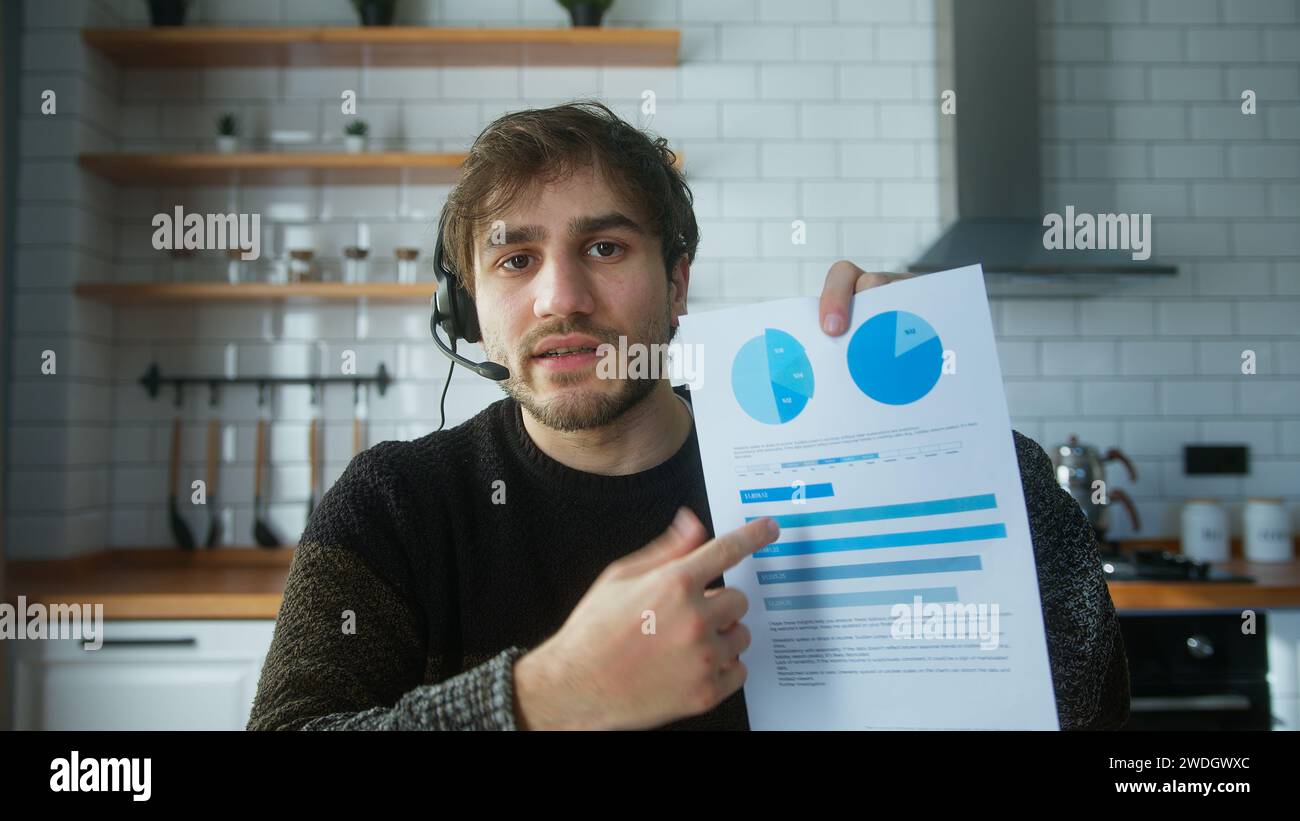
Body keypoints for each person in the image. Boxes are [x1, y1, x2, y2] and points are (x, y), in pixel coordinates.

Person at [247, 100, 1129, 731]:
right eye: (516, 257)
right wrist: (543, 701)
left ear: (676, 284)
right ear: (471, 309)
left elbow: (1082, 698)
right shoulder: (398, 505)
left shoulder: (800, 455)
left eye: (604, 246)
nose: (562, 297)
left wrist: (945, 433)